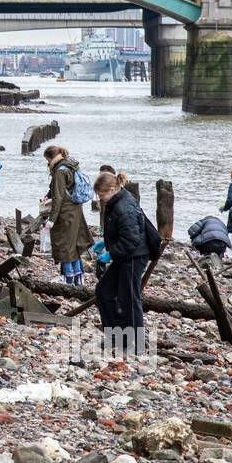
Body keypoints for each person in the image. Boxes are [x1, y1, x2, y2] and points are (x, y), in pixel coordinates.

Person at [92, 171, 159, 353]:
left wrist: (110, 254)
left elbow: (131, 240)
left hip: (134, 256)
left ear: (113, 189)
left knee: (129, 298)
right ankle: (116, 336)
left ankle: (135, 343)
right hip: (124, 254)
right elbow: (120, 231)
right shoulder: (116, 202)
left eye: (102, 194)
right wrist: (105, 244)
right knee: (104, 291)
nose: (101, 198)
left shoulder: (124, 206)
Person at [42, 145, 92, 285]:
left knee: (62, 244)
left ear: (50, 158)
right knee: (73, 244)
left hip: (64, 212)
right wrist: (48, 194)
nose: (47, 164)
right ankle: (78, 276)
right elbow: (67, 188)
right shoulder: (71, 165)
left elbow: (58, 197)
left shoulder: (59, 171)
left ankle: (68, 277)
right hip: (76, 209)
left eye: (47, 160)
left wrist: (52, 219)